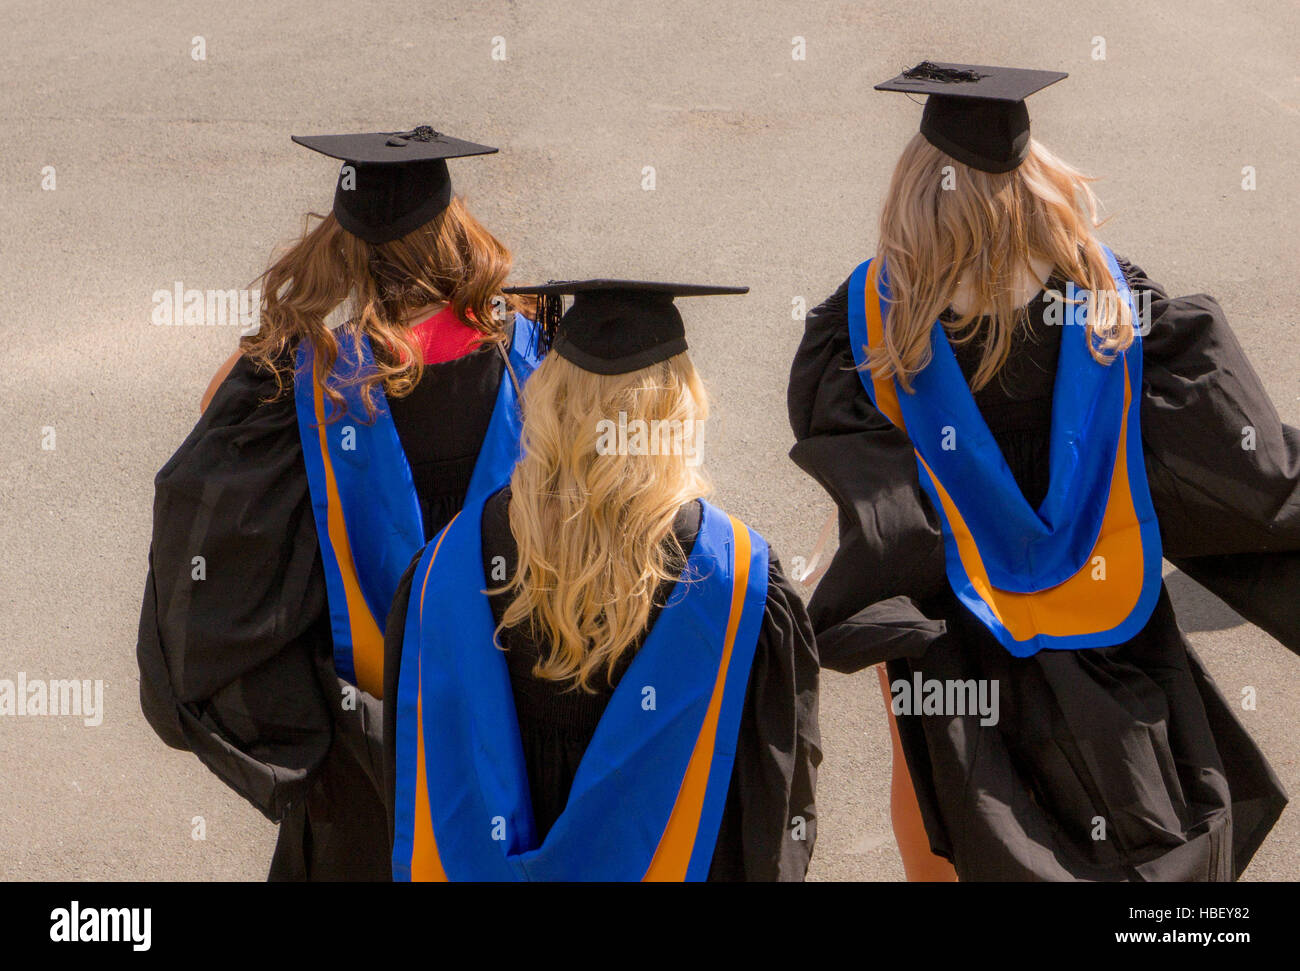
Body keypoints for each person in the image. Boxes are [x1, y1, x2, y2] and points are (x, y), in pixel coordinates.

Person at [788, 62, 1297, 881]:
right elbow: (1246, 467)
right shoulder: (1113, 303)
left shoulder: (867, 323)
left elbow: (869, 494)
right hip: (1110, 608)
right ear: (1039, 183)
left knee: (947, 796)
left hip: (949, 623)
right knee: (1132, 821)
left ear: (915, 191)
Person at [137, 126, 544, 880]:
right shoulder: (540, 364)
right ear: (457, 234)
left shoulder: (291, 387)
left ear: (342, 243)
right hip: (519, 739)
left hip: (363, 761)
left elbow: (209, 512)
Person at [384, 280, 822, 880]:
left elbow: (418, 774)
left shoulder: (450, 565)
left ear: (550, 396)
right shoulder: (734, 578)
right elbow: (770, 805)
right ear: (676, 408)